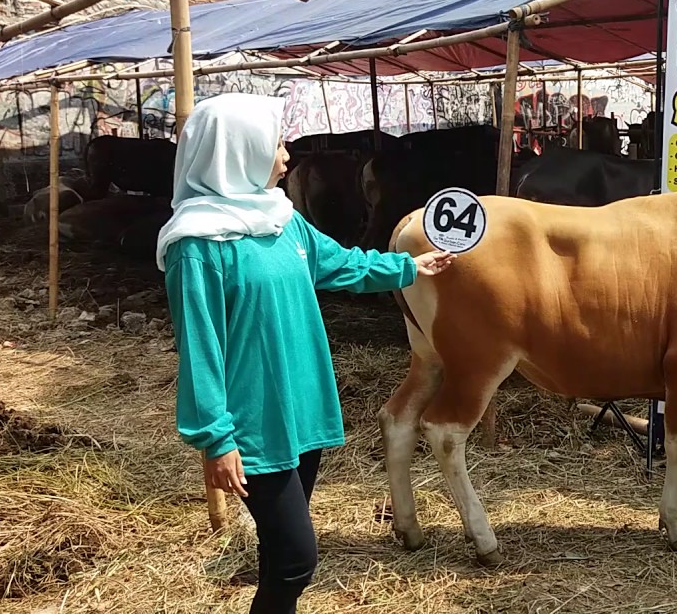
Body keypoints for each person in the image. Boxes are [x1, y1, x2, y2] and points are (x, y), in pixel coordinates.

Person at [157, 93, 455, 614]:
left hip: (301, 404)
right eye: (276, 142)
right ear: (240, 149)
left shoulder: (281, 220)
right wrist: (216, 438)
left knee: (279, 554)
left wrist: (409, 267)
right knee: (297, 560)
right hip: (254, 422)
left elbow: (340, 265)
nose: (286, 154)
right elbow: (199, 347)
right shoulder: (197, 246)